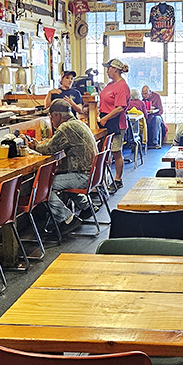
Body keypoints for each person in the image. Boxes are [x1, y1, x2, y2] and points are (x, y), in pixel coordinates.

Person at [29, 99, 97, 235]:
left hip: (83, 175)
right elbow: (56, 143)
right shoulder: (77, 123)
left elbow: (50, 148)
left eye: (51, 117)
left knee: (45, 186)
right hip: (92, 174)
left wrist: (34, 146)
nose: (51, 120)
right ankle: (86, 206)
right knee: (59, 177)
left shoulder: (66, 127)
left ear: (57, 116)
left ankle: (67, 219)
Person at [99, 58, 131, 189]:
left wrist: (105, 118)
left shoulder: (122, 86)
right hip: (105, 120)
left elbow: (119, 108)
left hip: (115, 122)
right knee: (105, 151)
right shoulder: (110, 85)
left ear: (115, 70)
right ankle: (103, 179)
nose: (107, 71)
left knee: (116, 152)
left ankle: (118, 179)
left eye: (109, 68)